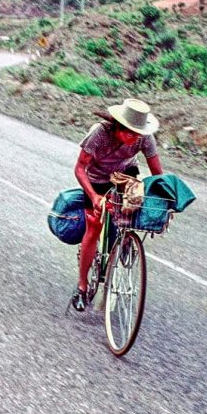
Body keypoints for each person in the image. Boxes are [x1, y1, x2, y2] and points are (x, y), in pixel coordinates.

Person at [71, 98, 163, 311]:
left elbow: (158, 173)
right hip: (96, 178)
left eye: (138, 133)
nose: (135, 138)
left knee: (130, 213)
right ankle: (82, 287)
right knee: (94, 226)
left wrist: (162, 198)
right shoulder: (99, 134)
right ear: (117, 127)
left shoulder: (144, 138)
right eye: (129, 133)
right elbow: (79, 168)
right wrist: (94, 196)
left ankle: (123, 242)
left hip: (125, 174)